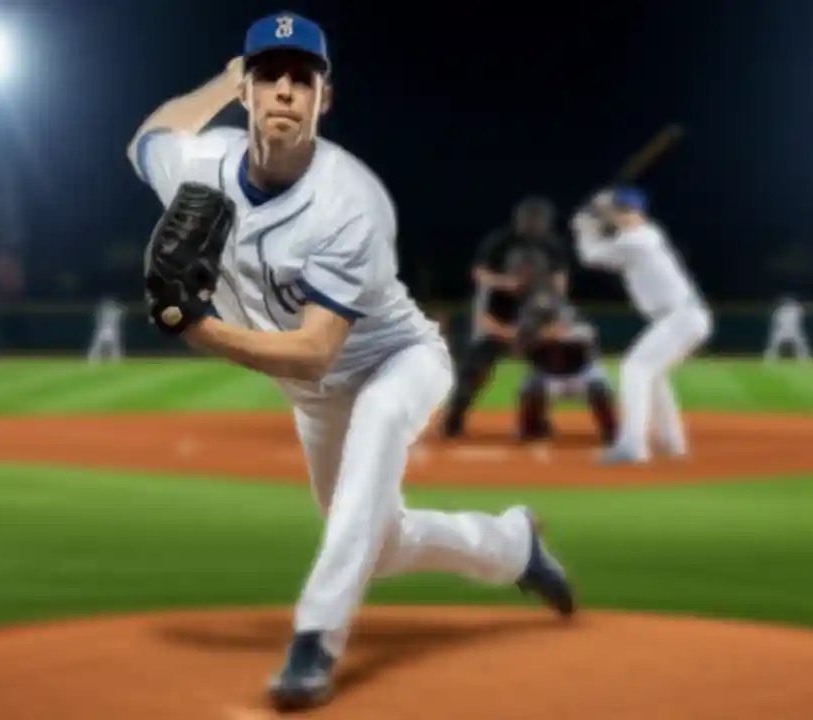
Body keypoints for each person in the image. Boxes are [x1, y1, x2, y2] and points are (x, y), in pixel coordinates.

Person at [126, 11, 573, 711]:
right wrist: (222, 79)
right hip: (316, 401)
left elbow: (311, 353)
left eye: (301, 81)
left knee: (374, 437)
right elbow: (150, 137)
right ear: (248, 92)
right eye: (267, 77)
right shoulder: (201, 164)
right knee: (380, 541)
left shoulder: (349, 201)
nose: (282, 92)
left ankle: (314, 642)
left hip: (396, 362)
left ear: (322, 99)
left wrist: (200, 329)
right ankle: (512, 546)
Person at [572, 187, 712, 464]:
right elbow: (606, 243)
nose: (623, 215)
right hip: (682, 317)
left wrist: (585, 228)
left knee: (635, 368)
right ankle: (673, 443)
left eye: (627, 210)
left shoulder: (639, 240)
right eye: (620, 210)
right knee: (653, 374)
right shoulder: (640, 236)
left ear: (639, 213)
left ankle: (632, 446)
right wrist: (599, 216)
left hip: (680, 317)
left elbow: (591, 256)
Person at [440, 196, 568, 438]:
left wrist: (542, 320)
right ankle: (454, 416)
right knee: (473, 368)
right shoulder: (500, 249)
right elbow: (480, 280)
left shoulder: (552, 252)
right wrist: (506, 286)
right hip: (499, 324)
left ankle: (535, 421)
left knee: (551, 363)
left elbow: (560, 287)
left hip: (533, 323)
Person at [514, 294, 617, 445]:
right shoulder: (532, 333)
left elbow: (584, 341)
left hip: (581, 375)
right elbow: (521, 350)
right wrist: (542, 337)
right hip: (550, 377)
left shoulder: (582, 329)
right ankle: (532, 427)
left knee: (599, 387)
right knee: (530, 386)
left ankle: (611, 430)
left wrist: (558, 336)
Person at [763, 295, 812, 362]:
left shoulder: (779, 311)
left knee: (773, 345)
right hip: (790, 332)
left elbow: (775, 325)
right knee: (802, 345)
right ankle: (805, 359)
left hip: (786, 332)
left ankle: (769, 359)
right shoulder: (793, 310)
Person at [87, 297, 125, 363]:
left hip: (109, 333)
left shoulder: (115, 311)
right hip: (104, 332)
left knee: (114, 349)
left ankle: (115, 362)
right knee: (97, 348)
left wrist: (113, 305)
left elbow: (122, 311)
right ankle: (92, 361)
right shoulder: (104, 310)